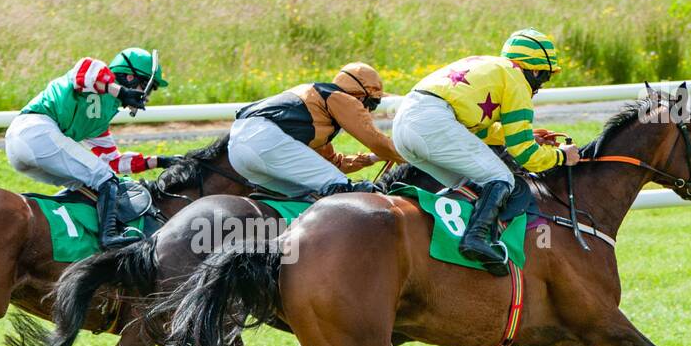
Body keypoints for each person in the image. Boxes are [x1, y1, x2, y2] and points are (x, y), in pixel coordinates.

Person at [392, 29, 579, 273]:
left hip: (404, 125)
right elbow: (526, 156)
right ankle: (476, 239)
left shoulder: (491, 67)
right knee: (501, 178)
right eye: (544, 77)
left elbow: (476, 131)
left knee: (472, 187)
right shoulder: (517, 80)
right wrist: (563, 156)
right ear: (535, 70)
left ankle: (446, 251)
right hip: (433, 123)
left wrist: (525, 136)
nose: (541, 85)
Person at [6, 49, 169, 248]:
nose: (146, 95)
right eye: (146, 87)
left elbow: (114, 161)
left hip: (27, 144)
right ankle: (109, 237)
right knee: (104, 177)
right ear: (129, 77)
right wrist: (122, 92)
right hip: (35, 130)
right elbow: (83, 75)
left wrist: (161, 161)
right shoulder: (99, 70)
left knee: (93, 183)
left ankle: (64, 232)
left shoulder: (101, 118)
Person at [226, 62, 400, 199]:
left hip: (237, 150)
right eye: (372, 104)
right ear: (361, 96)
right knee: (343, 190)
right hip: (266, 141)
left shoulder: (315, 106)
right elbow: (376, 140)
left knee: (311, 197)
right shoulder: (342, 98)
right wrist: (407, 153)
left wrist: (372, 158)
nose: (368, 111)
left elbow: (332, 163)